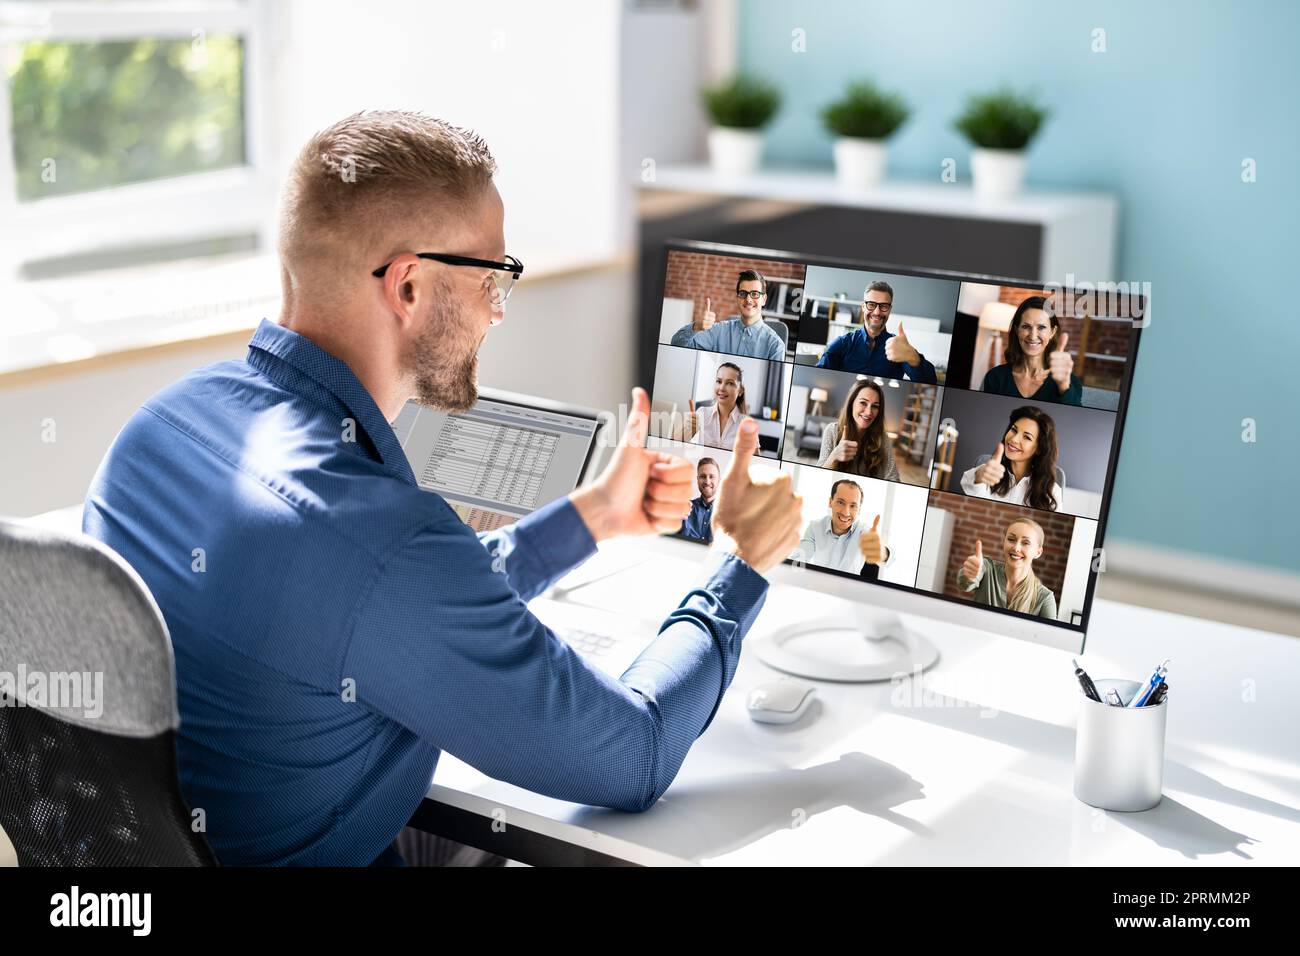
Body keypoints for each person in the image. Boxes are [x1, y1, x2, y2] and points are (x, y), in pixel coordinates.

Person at [81, 111, 802, 867]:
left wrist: (592, 515)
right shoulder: (381, 545)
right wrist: (742, 564)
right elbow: (636, 754)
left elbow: (381, 602)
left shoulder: (158, 425)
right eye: (494, 278)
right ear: (411, 285)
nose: (498, 311)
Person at [815, 280, 937, 383]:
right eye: (871, 305)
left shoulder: (899, 347)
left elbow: (931, 382)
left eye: (883, 306)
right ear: (863, 306)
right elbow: (818, 375)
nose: (877, 312)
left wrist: (913, 357)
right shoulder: (842, 343)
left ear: (889, 309)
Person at [980, 295, 1082, 405]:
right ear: (1016, 330)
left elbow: (1074, 420)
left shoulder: (1070, 382)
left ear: (1052, 332)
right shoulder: (995, 377)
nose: (1033, 336)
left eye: (1041, 327)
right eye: (1026, 327)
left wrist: (1063, 386)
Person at [960, 406, 1061, 511]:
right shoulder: (989, 472)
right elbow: (974, 505)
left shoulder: (1053, 492)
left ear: (1039, 448)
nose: (1014, 439)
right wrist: (980, 475)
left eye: (1027, 437)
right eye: (1014, 430)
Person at [669, 269, 785, 360]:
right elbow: (676, 345)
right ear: (737, 298)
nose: (748, 299)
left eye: (754, 294)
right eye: (743, 293)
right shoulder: (719, 330)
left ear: (764, 299)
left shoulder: (775, 345)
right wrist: (696, 327)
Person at [955, 519, 1058, 618]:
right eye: (1011, 539)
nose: (1016, 548)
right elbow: (964, 584)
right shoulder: (987, 567)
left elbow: (1049, 633)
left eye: (1026, 543)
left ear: (1038, 552)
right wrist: (969, 575)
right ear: (1004, 542)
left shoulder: (1045, 598)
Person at [796, 479, 893, 576]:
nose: (846, 512)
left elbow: (891, 558)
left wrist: (882, 553)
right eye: (840, 502)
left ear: (859, 510)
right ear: (830, 502)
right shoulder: (815, 527)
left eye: (853, 506)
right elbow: (799, 559)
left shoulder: (865, 532)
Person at [817, 378, 900, 481]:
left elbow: (893, 477)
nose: (869, 412)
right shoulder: (832, 431)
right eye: (863, 403)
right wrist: (834, 456)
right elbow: (819, 477)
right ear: (852, 403)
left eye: (875, 406)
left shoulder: (882, 438)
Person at [683, 361, 746, 450]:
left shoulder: (746, 424)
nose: (722, 388)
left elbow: (756, 460)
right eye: (719, 381)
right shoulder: (701, 413)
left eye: (730, 383)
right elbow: (672, 444)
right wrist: (685, 427)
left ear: (740, 391)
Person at [680, 457, 719, 543]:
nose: (707, 481)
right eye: (703, 476)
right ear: (697, 480)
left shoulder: (728, 514)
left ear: (719, 480)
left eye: (712, 477)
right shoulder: (684, 509)